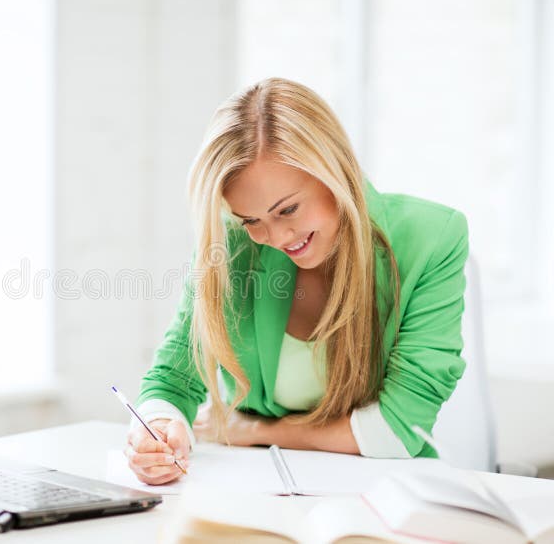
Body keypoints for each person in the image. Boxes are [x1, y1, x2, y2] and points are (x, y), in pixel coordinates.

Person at [124, 78, 468, 486]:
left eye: (287, 209)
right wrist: (158, 430)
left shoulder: (433, 239)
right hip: (256, 488)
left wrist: (254, 432)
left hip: (383, 493)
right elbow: (173, 378)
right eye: (252, 220)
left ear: (333, 168)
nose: (276, 237)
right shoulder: (232, 243)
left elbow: (400, 429)